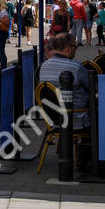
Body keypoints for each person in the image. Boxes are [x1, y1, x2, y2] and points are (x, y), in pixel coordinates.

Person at [38, 31, 92, 168]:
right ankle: (86, 159)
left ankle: (65, 145)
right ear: (68, 48)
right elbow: (92, 88)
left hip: (53, 120)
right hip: (77, 119)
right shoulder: (76, 68)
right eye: (75, 46)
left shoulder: (43, 67)